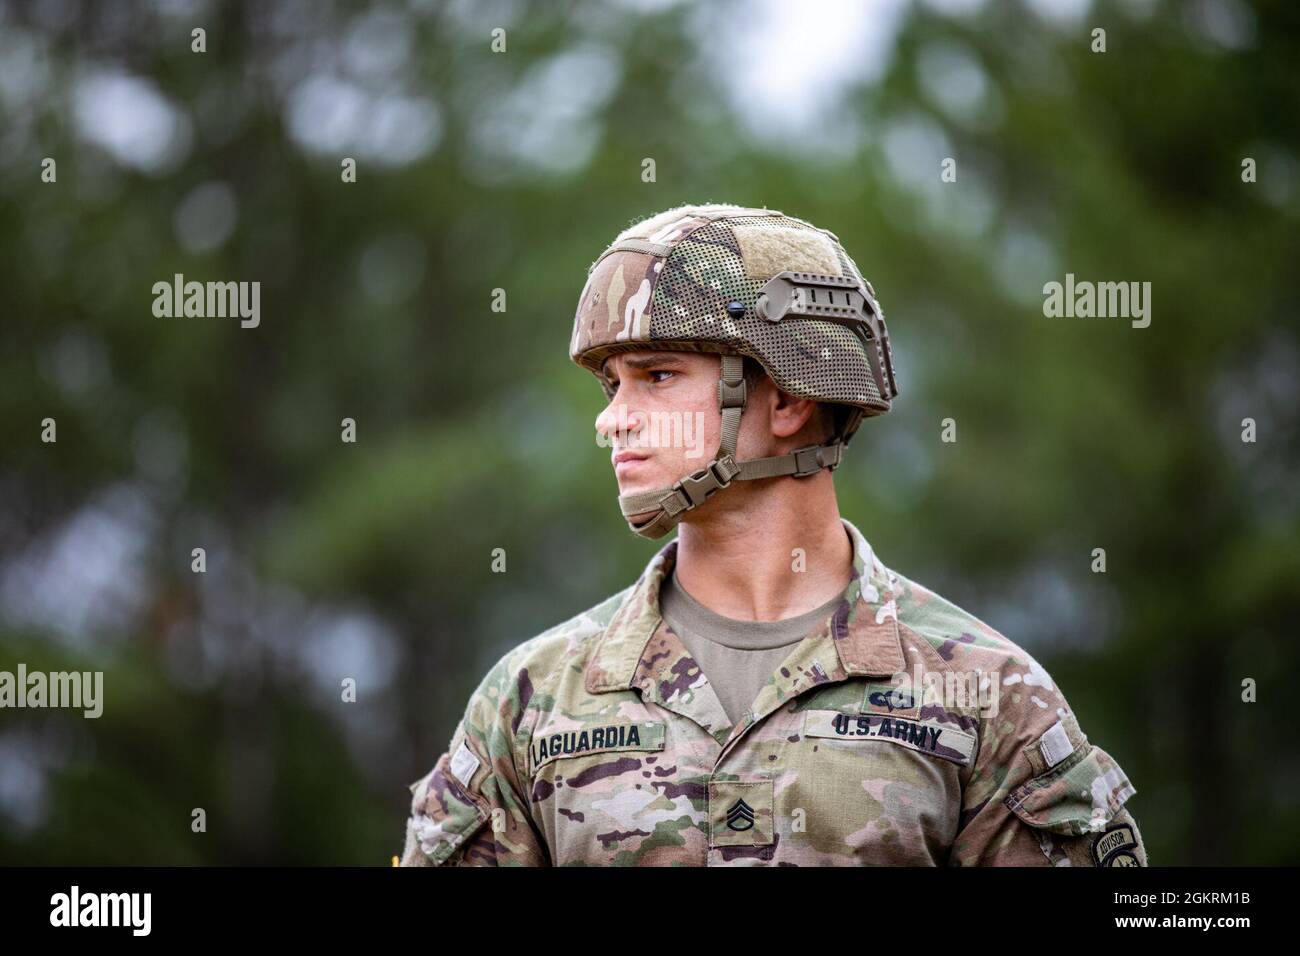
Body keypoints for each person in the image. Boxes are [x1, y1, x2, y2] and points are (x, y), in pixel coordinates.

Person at [398, 203, 1147, 866]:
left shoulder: (987, 697)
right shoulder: (530, 701)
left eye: (656, 376)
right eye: (611, 384)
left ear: (786, 399)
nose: (612, 418)